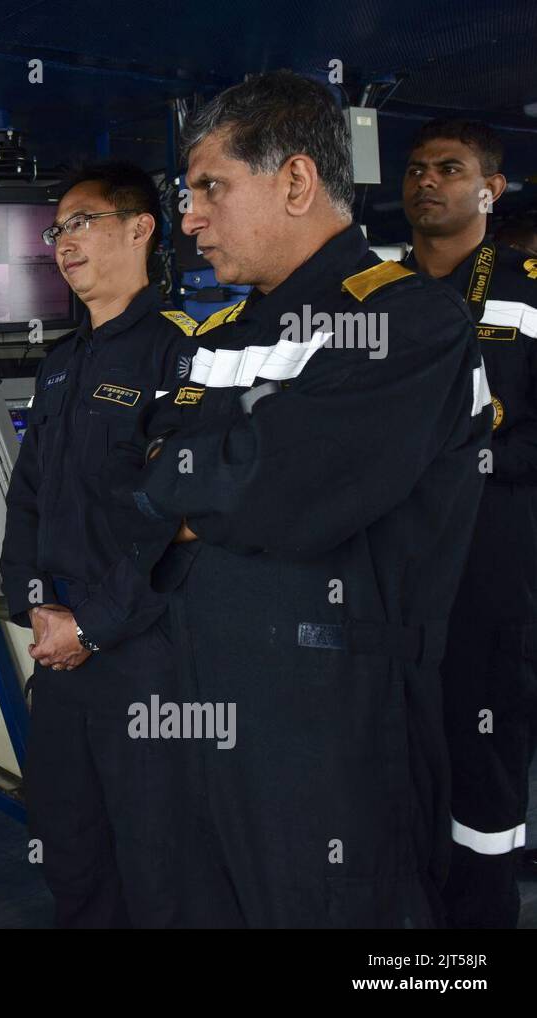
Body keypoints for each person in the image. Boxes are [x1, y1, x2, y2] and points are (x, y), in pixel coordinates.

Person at [116, 70, 491, 926]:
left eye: (211, 186)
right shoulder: (227, 332)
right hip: (211, 699)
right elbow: (150, 464)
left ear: (295, 181)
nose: (190, 217)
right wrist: (196, 478)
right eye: (187, 192)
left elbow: (281, 494)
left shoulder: (408, 322)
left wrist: (189, 484)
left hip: (332, 733)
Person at [0, 160, 202, 926]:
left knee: (157, 860)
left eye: (80, 222)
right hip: (61, 657)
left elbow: (180, 517)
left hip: (144, 655)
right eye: (56, 231)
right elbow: (28, 500)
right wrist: (36, 609)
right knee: (68, 846)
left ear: (141, 227)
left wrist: (91, 625)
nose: (62, 242)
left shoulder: (182, 354)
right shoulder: (61, 366)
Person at [402, 119, 537, 928]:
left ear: (493, 188)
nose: (428, 180)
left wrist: (476, 453)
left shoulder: (527, 289)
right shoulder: (376, 297)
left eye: (451, 169)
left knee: (482, 772)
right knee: (401, 764)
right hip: (391, 576)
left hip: (492, 574)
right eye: (417, 168)